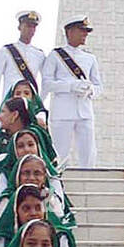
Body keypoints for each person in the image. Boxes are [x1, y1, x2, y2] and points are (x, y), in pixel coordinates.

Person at [42, 15, 103, 168]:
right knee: (59, 153)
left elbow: (99, 86)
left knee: (88, 153)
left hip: (84, 111)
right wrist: (70, 86)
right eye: (81, 30)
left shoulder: (90, 58)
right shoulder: (55, 56)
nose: (85, 34)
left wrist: (90, 90)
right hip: (63, 111)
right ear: (69, 32)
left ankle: (88, 182)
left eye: (86, 31)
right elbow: (47, 84)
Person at [0, 10, 45, 127]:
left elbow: (46, 82)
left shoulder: (39, 54)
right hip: (9, 104)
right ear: (20, 26)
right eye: (28, 25)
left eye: (33, 27)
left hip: (29, 105)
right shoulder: (6, 51)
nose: (31, 30)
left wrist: (39, 103)